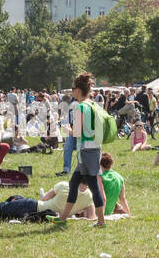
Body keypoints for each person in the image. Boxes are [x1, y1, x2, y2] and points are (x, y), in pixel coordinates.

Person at [56, 72, 106, 228]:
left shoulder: (80, 107)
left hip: (86, 151)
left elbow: (77, 132)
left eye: (72, 88)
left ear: (78, 89)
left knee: (93, 185)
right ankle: (63, 217)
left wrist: (66, 130)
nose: (71, 91)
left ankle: (101, 221)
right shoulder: (92, 104)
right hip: (93, 149)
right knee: (73, 183)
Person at [99, 151, 130, 217]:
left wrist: (100, 217)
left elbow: (103, 198)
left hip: (100, 210)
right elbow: (122, 199)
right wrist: (128, 214)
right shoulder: (120, 177)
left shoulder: (100, 177)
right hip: (109, 211)